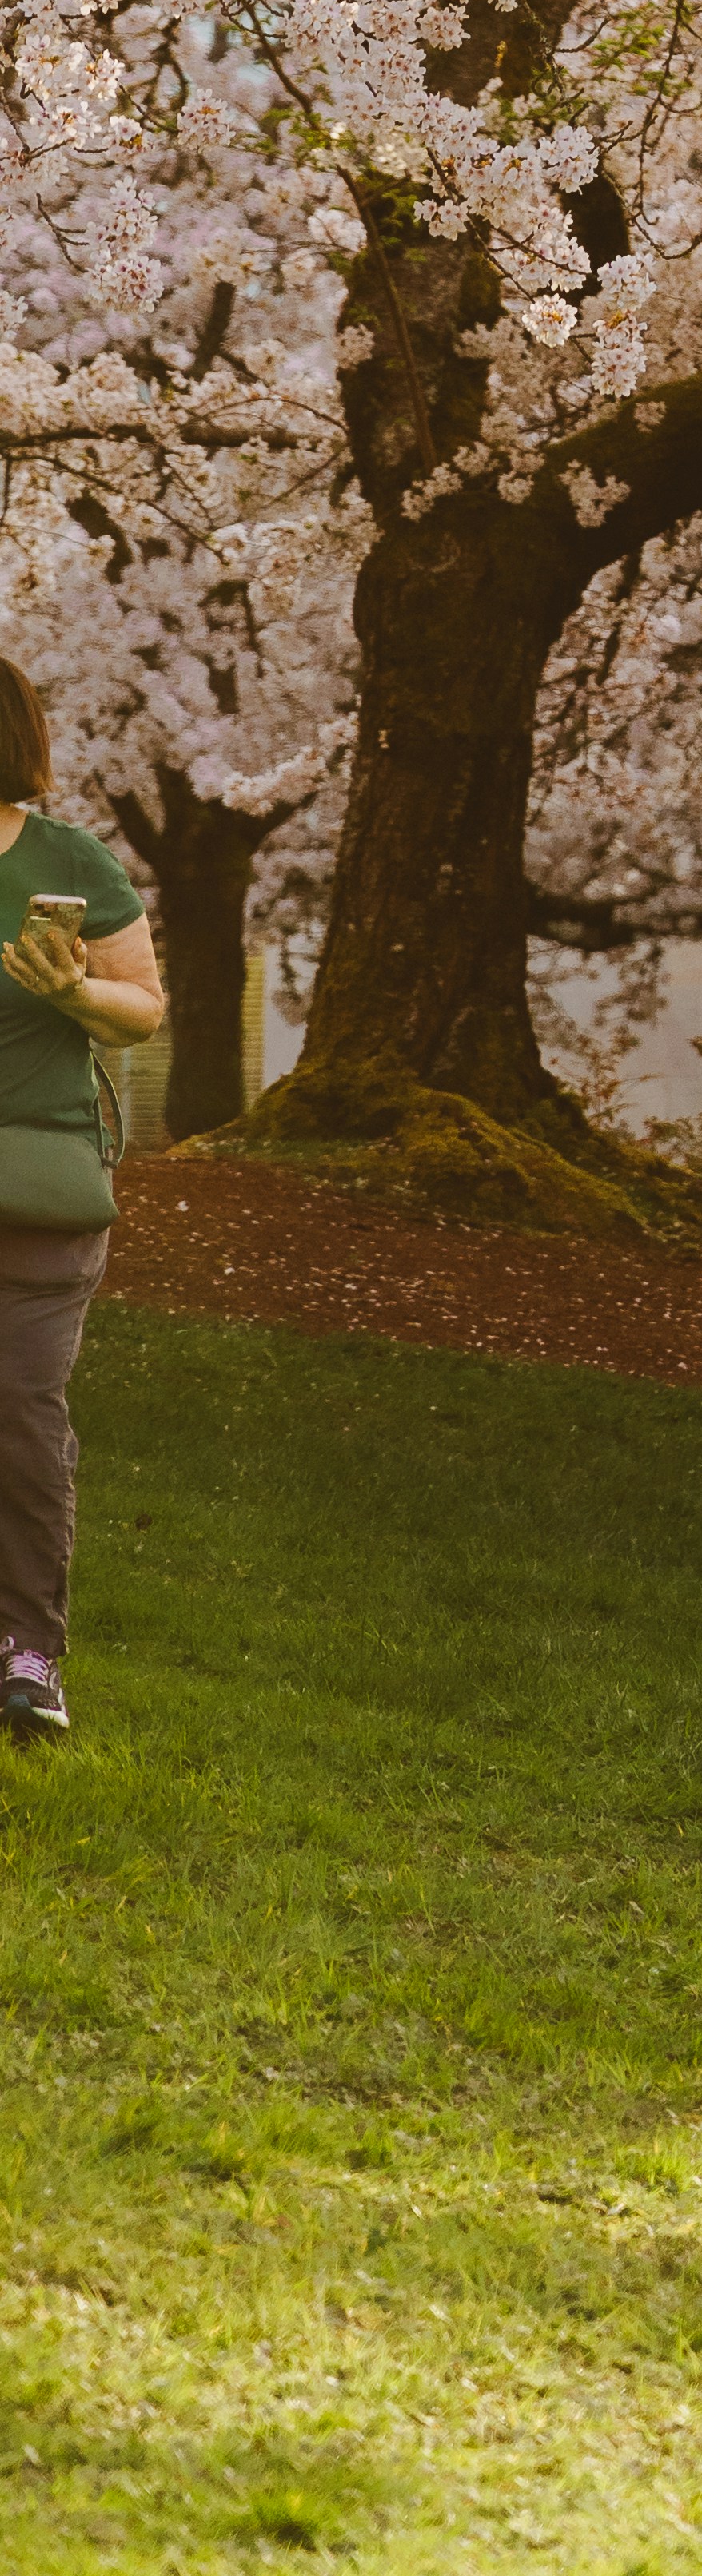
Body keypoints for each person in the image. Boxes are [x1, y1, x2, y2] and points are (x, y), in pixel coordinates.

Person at [0, 661, 168, 1759]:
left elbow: (140, 1010)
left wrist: (71, 993)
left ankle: (27, 1658)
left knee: (17, 1415)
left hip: (34, 1192)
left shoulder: (69, 861)